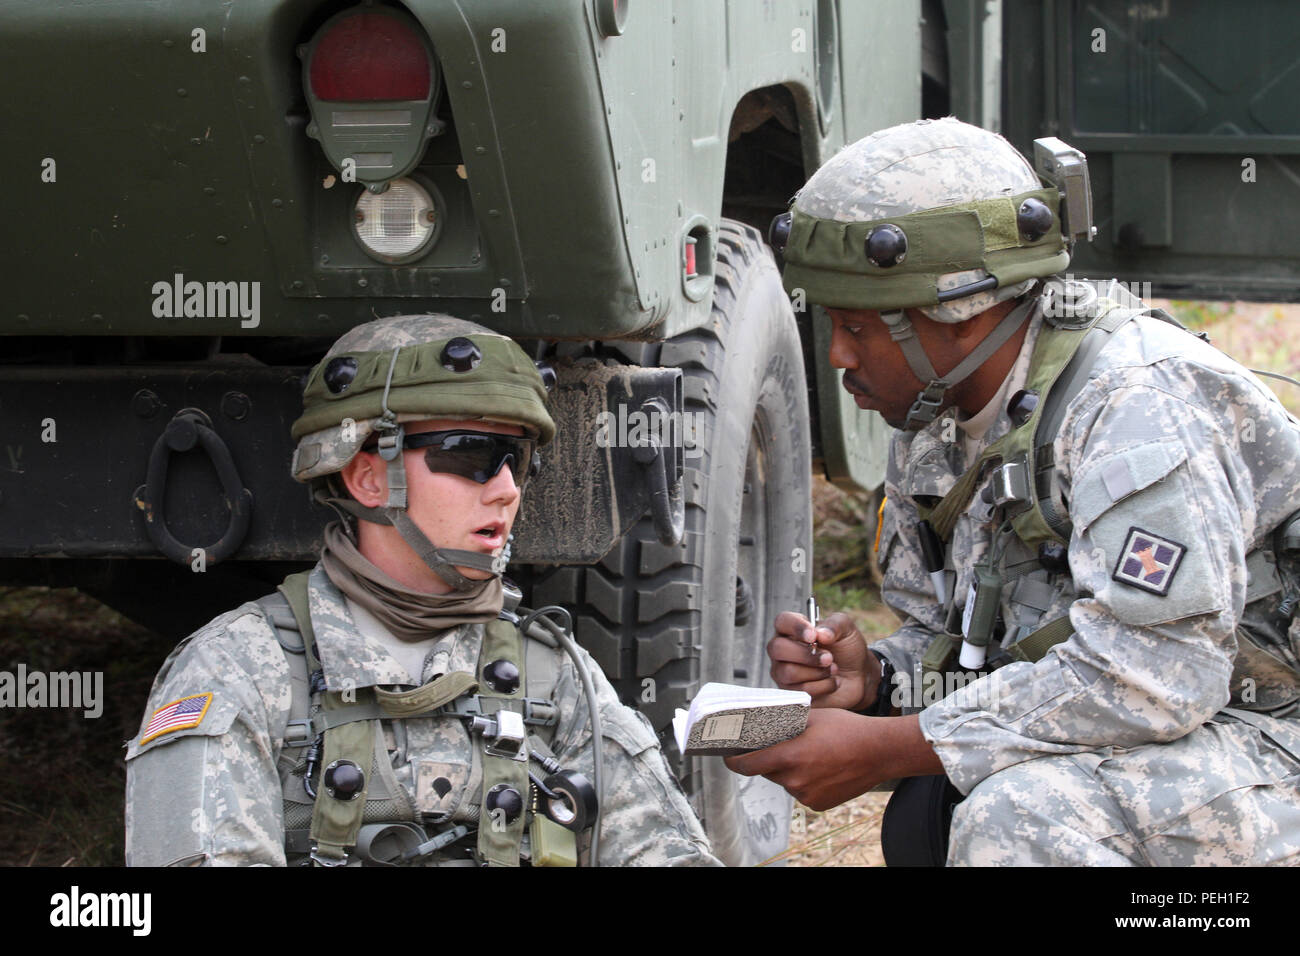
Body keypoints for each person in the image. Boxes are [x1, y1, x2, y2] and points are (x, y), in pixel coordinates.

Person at [728, 117, 1300, 865]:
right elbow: (975, 651)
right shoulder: (938, 421)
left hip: (1269, 735)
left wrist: (889, 746)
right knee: (928, 815)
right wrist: (878, 681)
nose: (836, 356)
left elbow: (1157, 676)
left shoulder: (1137, 402)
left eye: (858, 327)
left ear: (959, 317)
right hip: (1192, 729)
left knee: (1019, 821)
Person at [126, 314, 720, 867]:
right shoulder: (238, 670)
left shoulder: (551, 674)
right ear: (367, 476)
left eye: (518, 459)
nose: (508, 490)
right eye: (473, 455)